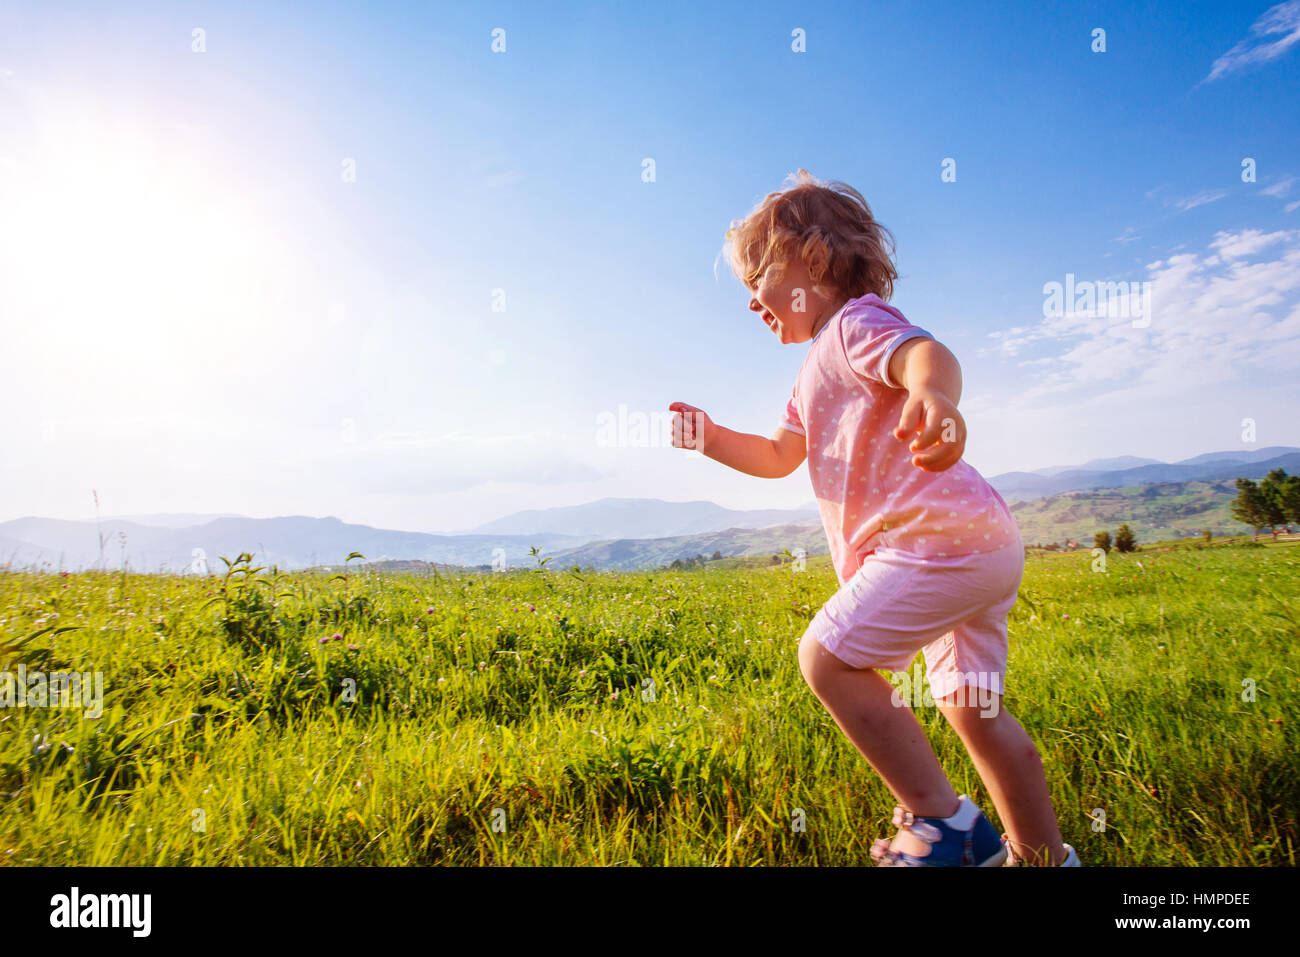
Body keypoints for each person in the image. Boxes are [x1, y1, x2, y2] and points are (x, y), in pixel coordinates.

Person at [669, 170, 1078, 867]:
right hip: (980, 544)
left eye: (758, 275)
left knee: (827, 657)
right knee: (974, 712)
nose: (750, 300)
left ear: (815, 261)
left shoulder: (852, 326)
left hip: (934, 543)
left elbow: (927, 352)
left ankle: (941, 823)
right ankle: (1043, 858)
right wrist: (711, 438)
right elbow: (776, 455)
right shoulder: (810, 375)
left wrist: (934, 396)